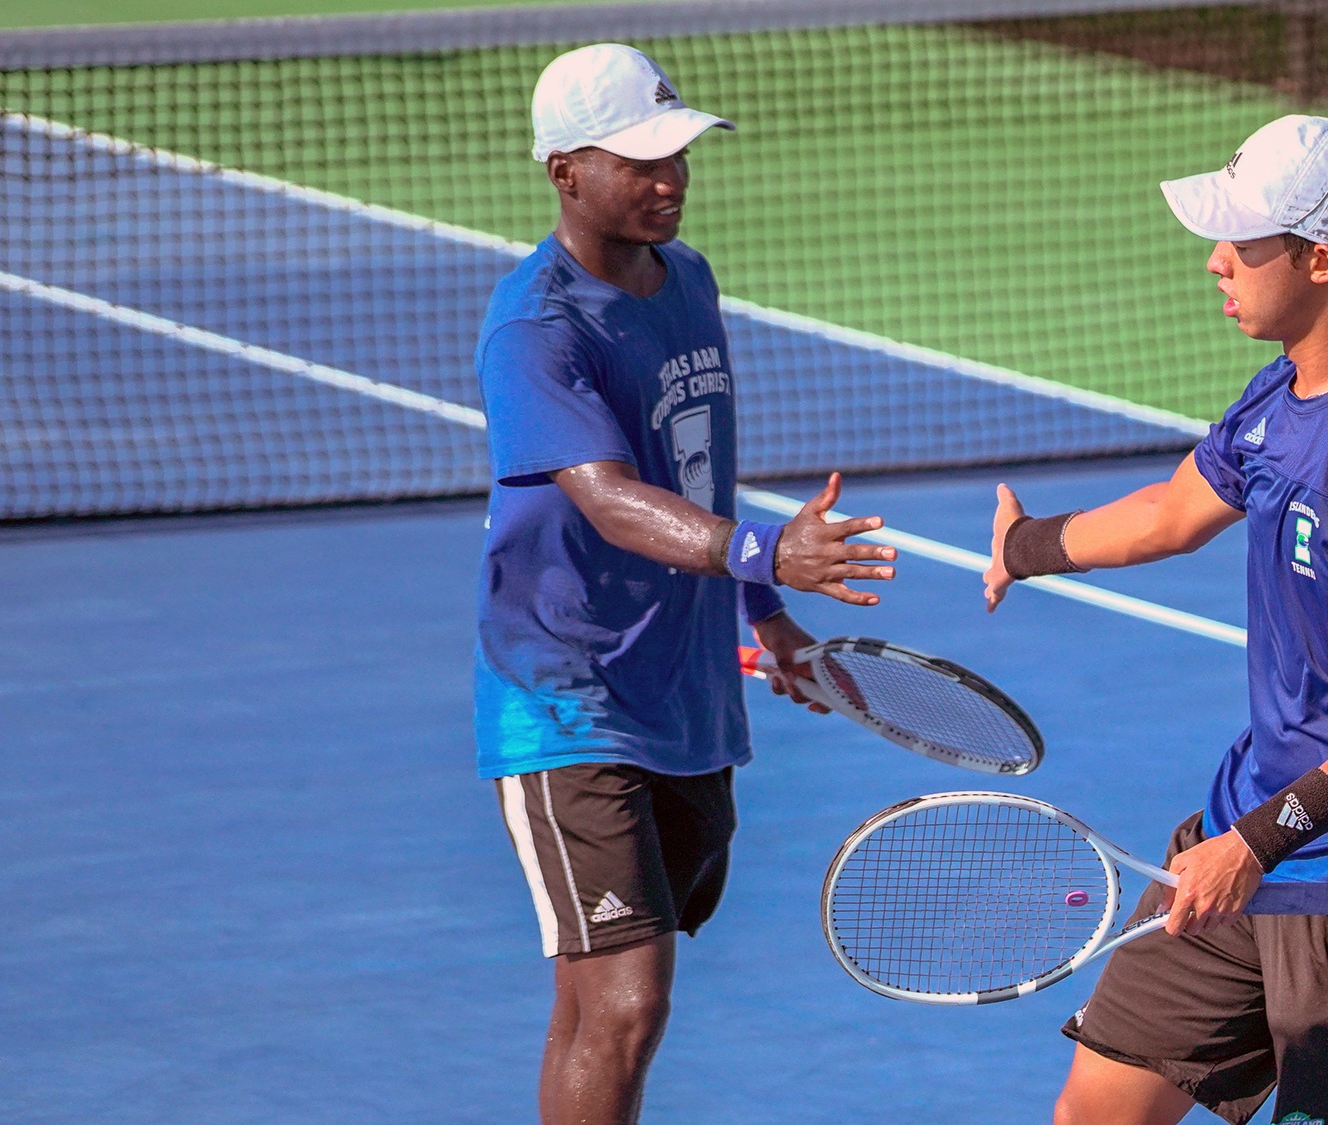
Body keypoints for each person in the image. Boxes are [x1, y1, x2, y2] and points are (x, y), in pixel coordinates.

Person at [984, 115, 1328, 1125]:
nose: (1214, 262)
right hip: (1239, 838)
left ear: (1318, 258)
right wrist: (1026, 546)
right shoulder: (1283, 391)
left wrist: (1261, 843)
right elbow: (1175, 512)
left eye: (1240, 243)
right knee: (1092, 1113)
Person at [472, 44, 896, 1125]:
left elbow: (696, 471)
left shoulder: (688, 279)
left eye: (678, 156)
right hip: (567, 691)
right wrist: (762, 553)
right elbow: (607, 496)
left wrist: (767, 616)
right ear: (565, 172)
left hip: (683, 691)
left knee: (600, 999)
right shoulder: (535, 325)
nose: (670, 179)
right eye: (641, 160)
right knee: (623, 1001)